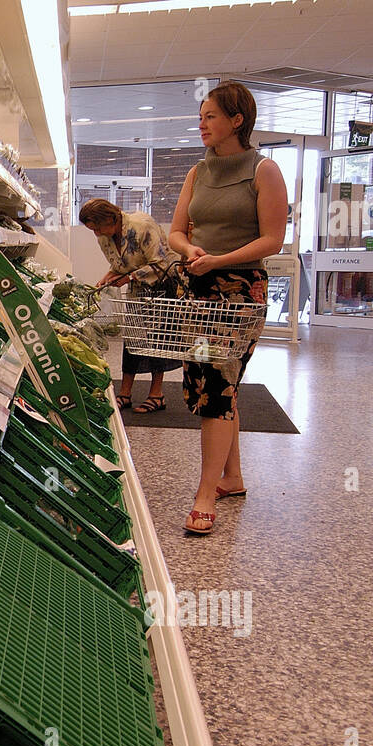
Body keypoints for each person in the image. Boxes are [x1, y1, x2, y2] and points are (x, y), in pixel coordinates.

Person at [166, 82, 287, 535]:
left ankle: (204, 494)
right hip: (195, 285)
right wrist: (191, 250)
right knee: (214, 383)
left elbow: (271, 239)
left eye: (211, 116)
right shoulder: (198, 172)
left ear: (237, 120)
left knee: (217, 383)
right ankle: (232, 478)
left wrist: (222, 259)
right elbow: (175, 230)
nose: (202, 123)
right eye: (200, 115)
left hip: (239, 290)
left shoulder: (263, 170)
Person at [79, 198, 182, 412]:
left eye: (98, 228)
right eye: (92, 230)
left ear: (111, 218)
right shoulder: (104, 238)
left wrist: (128, 278)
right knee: (133, 339)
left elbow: (162, 263)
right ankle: (125, 393)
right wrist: (108, 277)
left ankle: (157, 394)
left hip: (162, 284)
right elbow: (119, 265)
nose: (97, 234)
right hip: (138, 286)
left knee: (157, 338)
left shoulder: (142, 226)